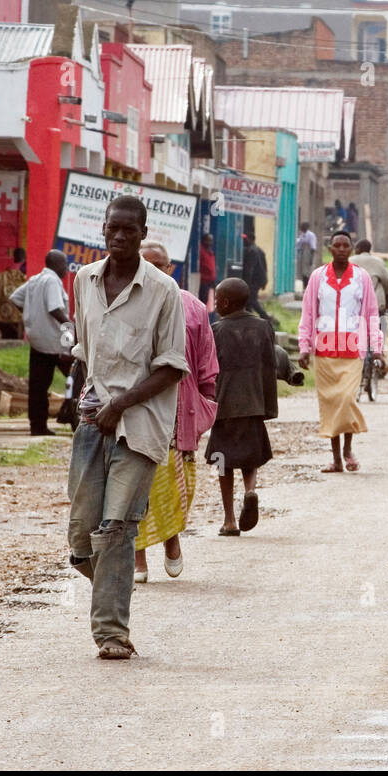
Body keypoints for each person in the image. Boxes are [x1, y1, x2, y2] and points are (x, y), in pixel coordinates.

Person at [67, 195, 188, 660]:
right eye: (112, 229)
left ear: (142, 232)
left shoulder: (162, 291)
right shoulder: (84, 280)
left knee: (115, 528)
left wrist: (121, 404)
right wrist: (81, 401)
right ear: (103, 229)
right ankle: (114, 586)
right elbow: (83, 352)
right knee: (81, 538)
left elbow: (172, 366)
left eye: (129, 230)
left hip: (139, 425)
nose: (119, 237)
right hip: (92, 422)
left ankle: (112, 632)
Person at [134, 243, 218, 582]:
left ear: (171, 269)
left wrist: (206, 404)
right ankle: (137, 555)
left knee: (170, 483)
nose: (152, 271)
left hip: (177, 412)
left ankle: (172, 539)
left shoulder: (192, 307)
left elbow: (206, 363)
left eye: (158, 265)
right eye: (144, 264)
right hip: (135, 406)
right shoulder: (125, 301)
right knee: (134, 482)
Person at [298, 232, 383, 473]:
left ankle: (348, 449)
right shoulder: (317, 277)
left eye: (346, 245)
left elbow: (371, 314)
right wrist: (305, 347)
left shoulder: (361, 277)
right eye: (337, 245)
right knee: (330, 403)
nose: (342, 249)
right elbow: (308, 314)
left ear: (352, 249)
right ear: (330, 248)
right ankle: (336, 458)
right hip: (324, 351)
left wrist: (376, 348)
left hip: (352, 349)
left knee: (346, 400)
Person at [207, 278, 278, 534]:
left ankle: (229, 520)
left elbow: (209, 369)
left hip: (224, 404)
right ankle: (250, 491)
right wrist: (268, 406)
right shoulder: (263, 327)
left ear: (225, 302)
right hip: (254, 402)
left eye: (216, 301)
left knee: (223, 462)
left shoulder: (216, 330)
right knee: (250, 456)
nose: (215, 306)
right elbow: (269, 366)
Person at [9, 250, 74, 436]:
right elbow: (55, 309)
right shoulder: (52, 280)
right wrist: (70, 328)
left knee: (38, 386)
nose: (66, 269)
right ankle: (69, 411)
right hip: (55, 341)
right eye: (64, 265)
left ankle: (37, 426)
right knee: (76, 376)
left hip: (37, 339)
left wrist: (32, 313)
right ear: (56, 265)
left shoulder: (35, 279)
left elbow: (15, 298)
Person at [240, 232, 271, 322]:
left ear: (251, 239)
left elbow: (250, 269)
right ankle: (249, 319)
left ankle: (265, 317)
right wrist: (265, 280)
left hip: (253, 281)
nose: (244, 241)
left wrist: (246, 283)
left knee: (252, 300)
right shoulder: (259, 250)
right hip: (259, 279)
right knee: (248, 301)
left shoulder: (251, 251)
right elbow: (265, 267)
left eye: (246, 239)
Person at [296, 222, 319, 289]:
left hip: (309, 253)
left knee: (308, 271)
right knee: (303, 271)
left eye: (303, 227)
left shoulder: (311, 235)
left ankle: (309, 286)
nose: (301, 228)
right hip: (303, 253)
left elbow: (313, 248)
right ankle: (305, 286)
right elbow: (299, 244)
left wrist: (311, 259)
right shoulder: (302, 235)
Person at [198, 232, 217, 307]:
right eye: (208, 240)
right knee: (202, 301)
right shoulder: (201, 251)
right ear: (204, 241)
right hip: (203, 281)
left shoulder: (210, 251)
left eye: (211, 241)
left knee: (208, 302)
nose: (210, 243)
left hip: (210, 281)